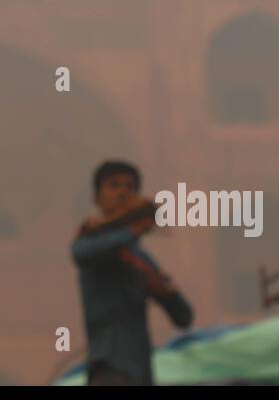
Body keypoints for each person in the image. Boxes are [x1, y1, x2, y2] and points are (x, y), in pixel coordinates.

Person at [71, 161, 192, 385]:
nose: (123, 192)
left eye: (130, 187)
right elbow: (81, 253)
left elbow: (184, 317)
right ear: (97, 198)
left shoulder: (141, 260)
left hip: (141, 374)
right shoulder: (90, 241)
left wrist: (167, 294)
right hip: (108, 368)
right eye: (114, 186)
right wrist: (133, 229)